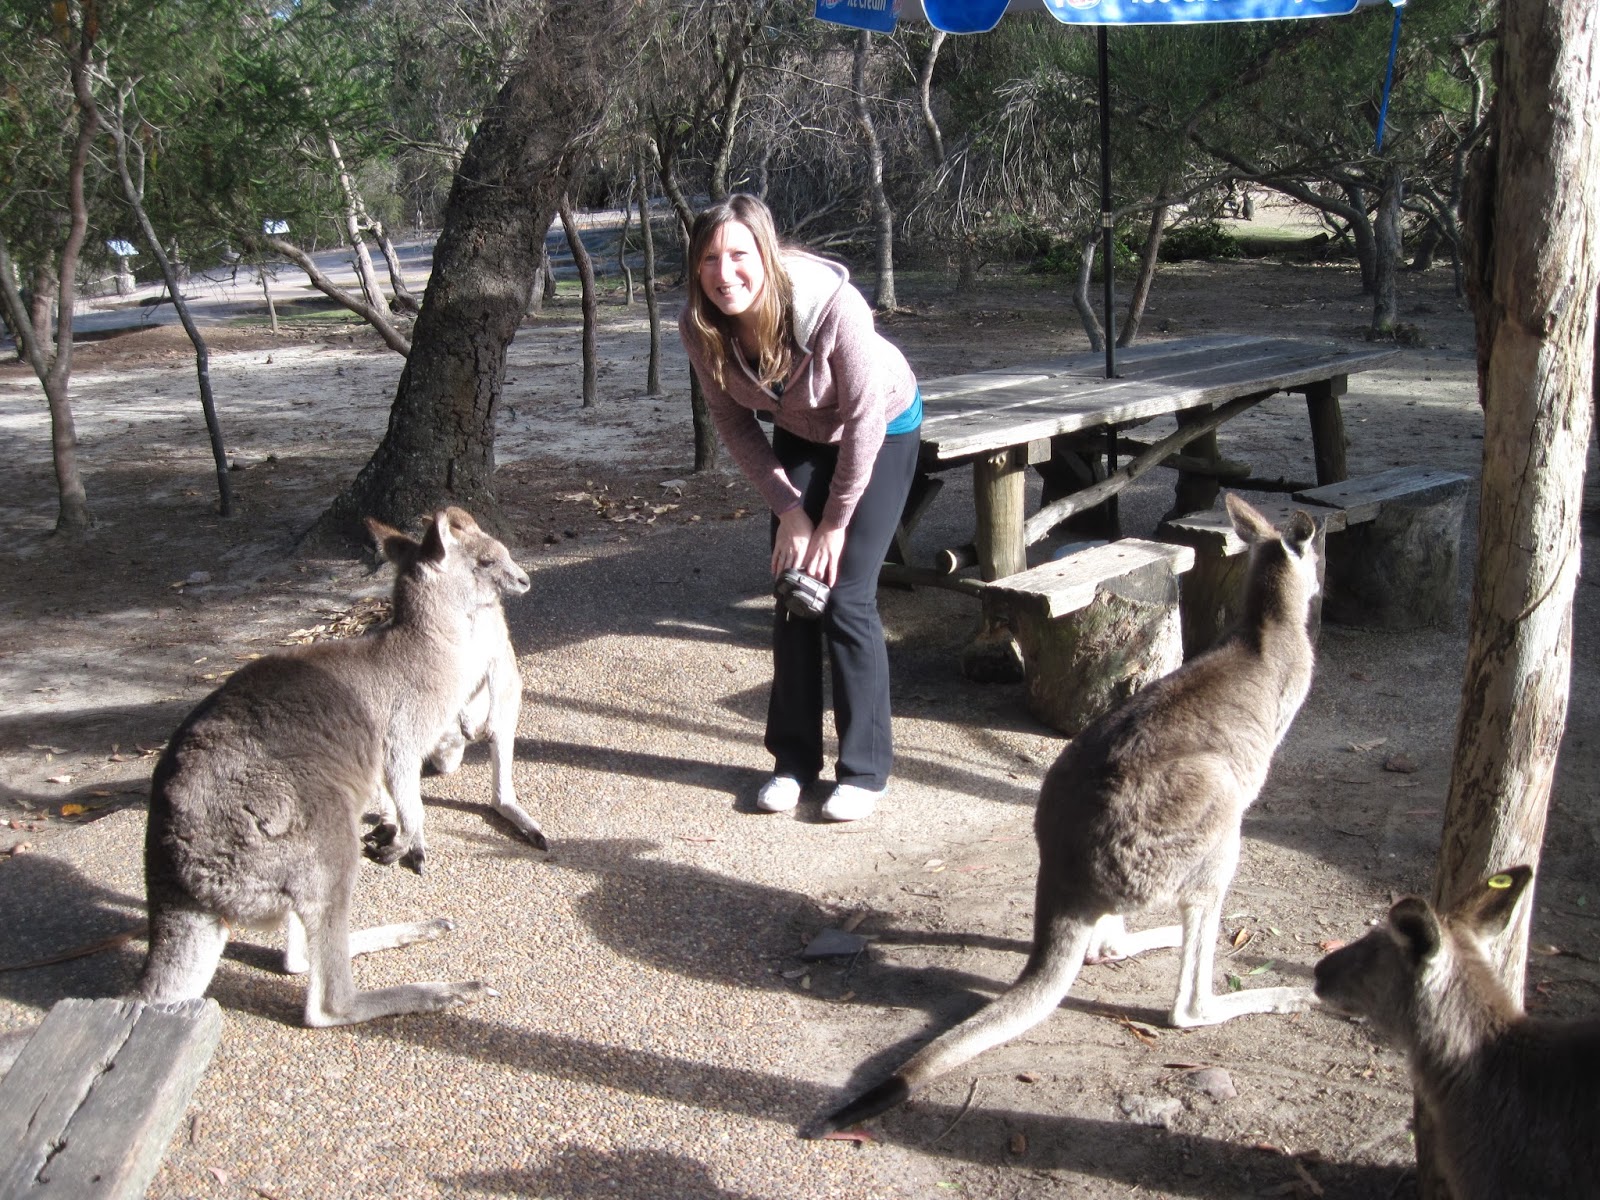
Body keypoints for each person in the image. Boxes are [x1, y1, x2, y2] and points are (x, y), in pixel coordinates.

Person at [679, 194, 922, 823]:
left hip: (883, 427)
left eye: (739, 254)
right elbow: (735, 426)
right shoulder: (700, 326)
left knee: (844, 594)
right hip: (802, 429)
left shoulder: (834, 307)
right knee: (794, 586)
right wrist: (791, 511)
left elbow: (866, 418)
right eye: (710, 258)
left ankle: (865, 771)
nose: (724, 272)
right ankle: (791, 763)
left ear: (767, 254)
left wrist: (835, 522)